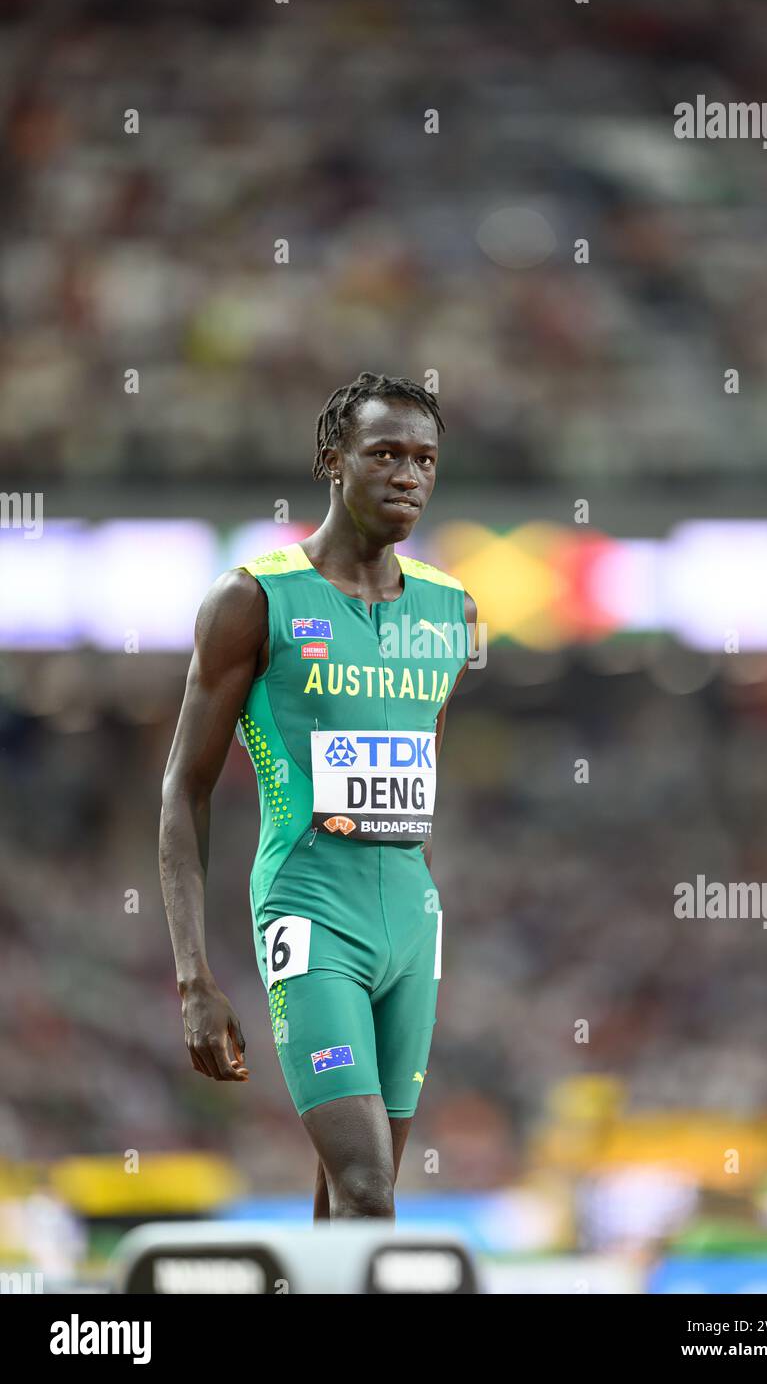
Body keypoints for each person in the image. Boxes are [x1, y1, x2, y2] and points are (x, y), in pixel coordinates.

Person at [160, 372, 477, 1219]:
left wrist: (426, 910)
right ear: (331, 463)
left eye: (424, 459)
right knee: (369, 1192)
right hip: (310, 912)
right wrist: (194, 977)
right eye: (384, 454)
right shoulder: (253, 598)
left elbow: (422, 778)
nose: (407, 474)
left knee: (344, 1203)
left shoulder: (453, 611)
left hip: (411, 923)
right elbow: (184, 789)